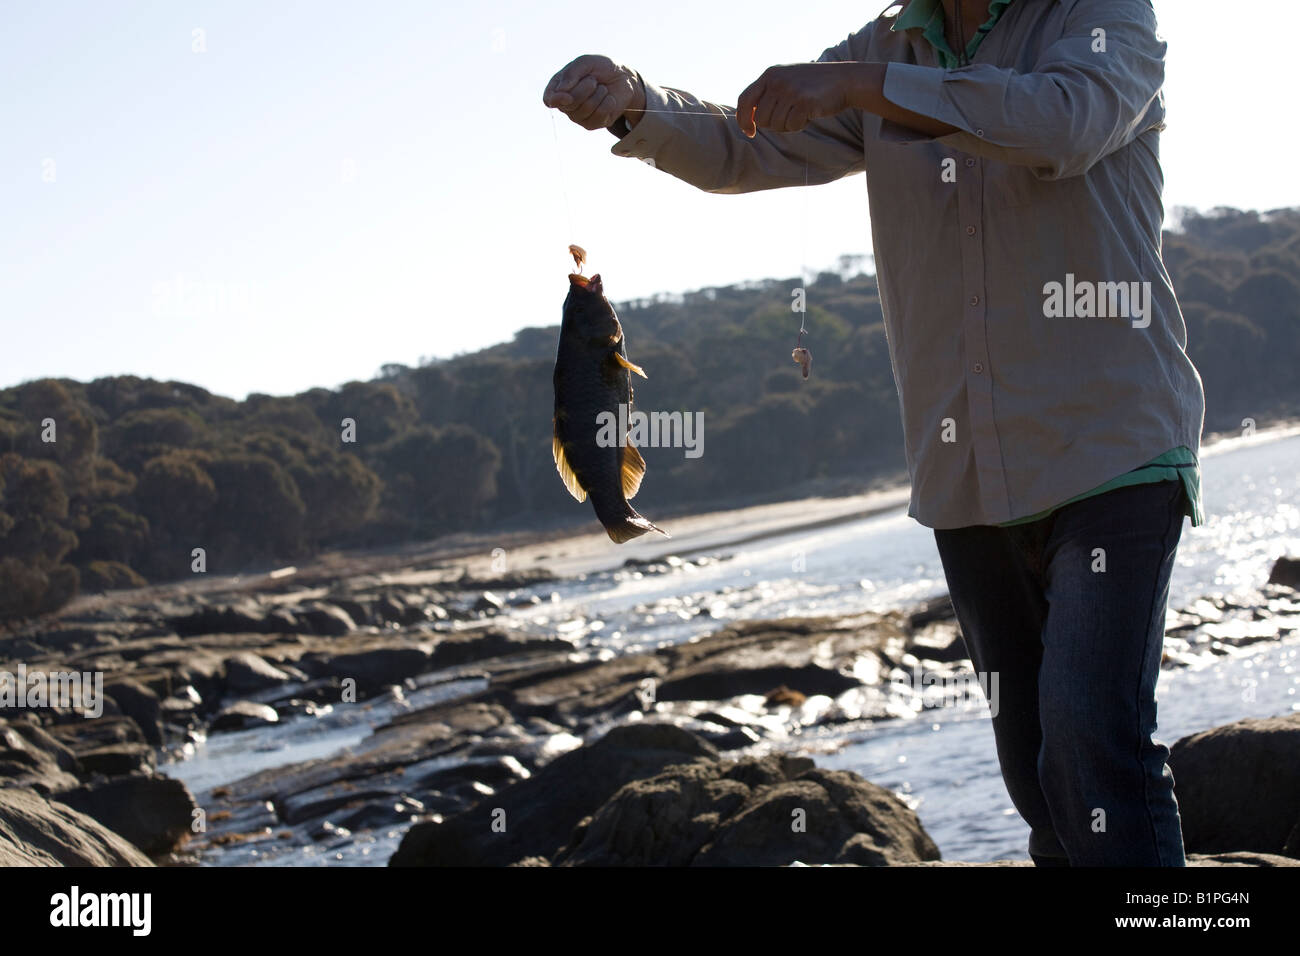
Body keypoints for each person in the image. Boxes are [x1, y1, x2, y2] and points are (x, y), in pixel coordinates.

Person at [543, 0, 1205, 867]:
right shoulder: (892, 44)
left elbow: (1063, 121)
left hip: (1113, 455)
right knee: (1038, 775)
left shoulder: (1098, 14)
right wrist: (635, 101)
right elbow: (749, 141)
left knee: (1093, 742)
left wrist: (863, 85)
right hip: (967, 477)